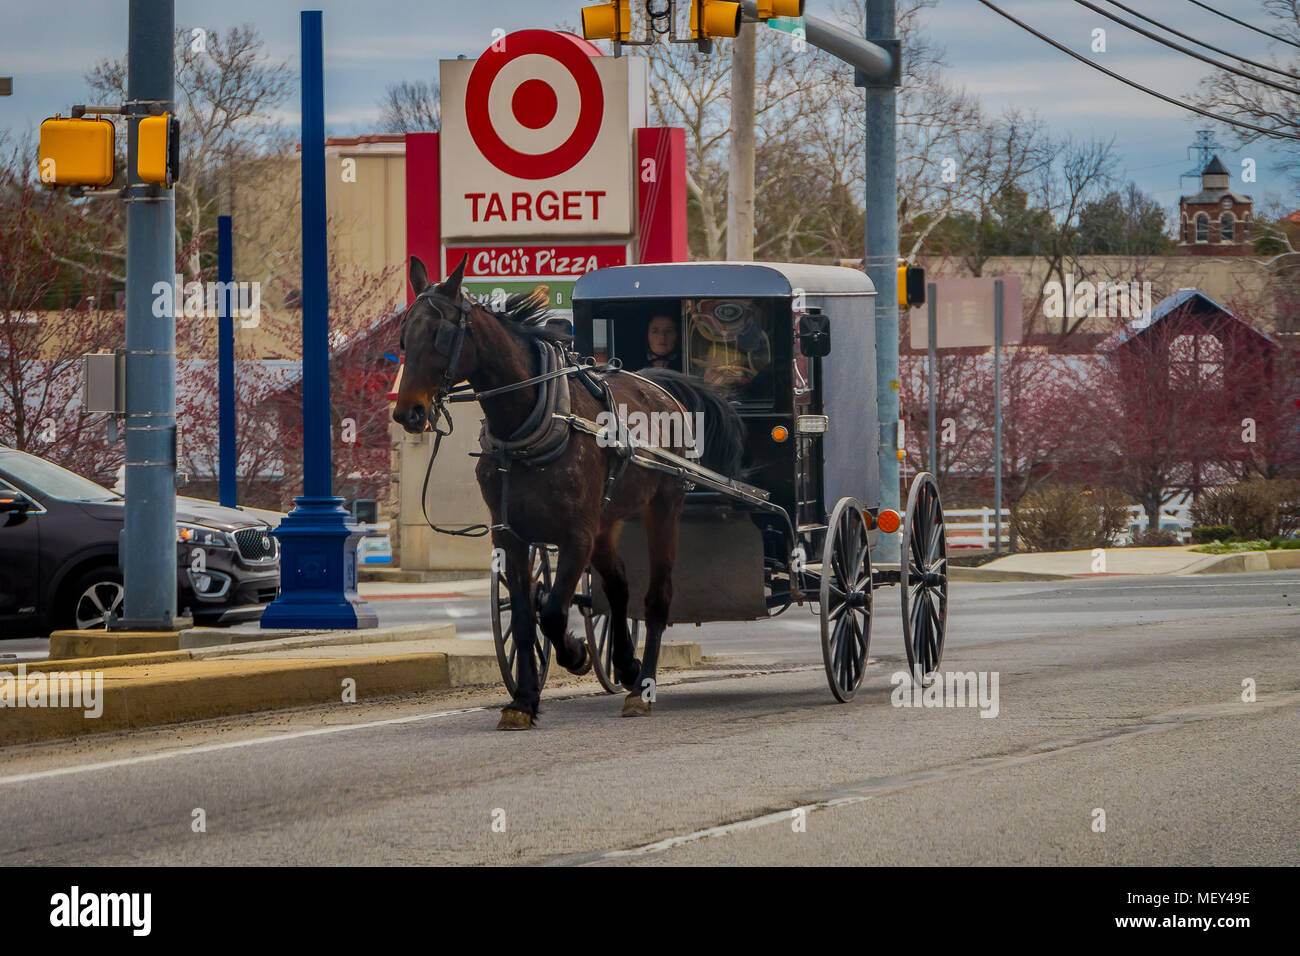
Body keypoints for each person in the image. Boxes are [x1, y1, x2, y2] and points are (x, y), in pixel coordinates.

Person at [687, 298, 771, 398]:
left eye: (731, 371)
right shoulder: (696, 391)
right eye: (716, 371)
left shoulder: (758, 392)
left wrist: (742, 381)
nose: (724, 377)